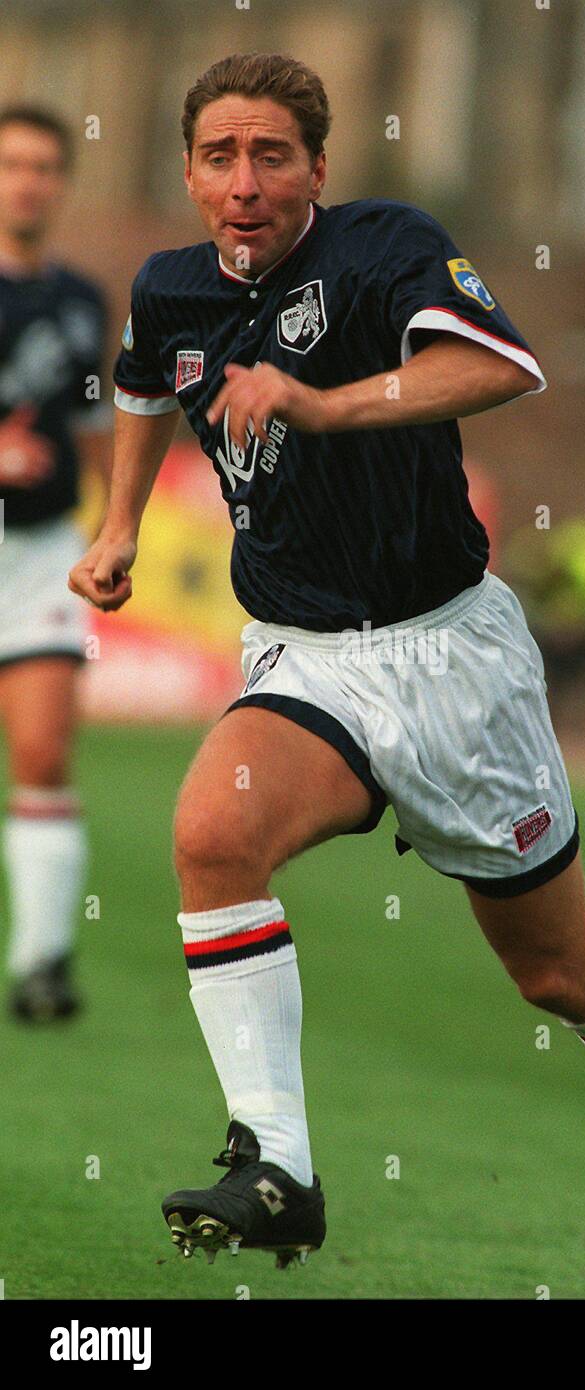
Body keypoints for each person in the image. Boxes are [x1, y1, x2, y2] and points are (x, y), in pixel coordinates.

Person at [69, 52, 585, 1283]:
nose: (244, 179)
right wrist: (115, 529)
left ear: (317, 168)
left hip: (451, 662)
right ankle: (277, 1165)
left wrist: (322, 404)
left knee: (557, 970)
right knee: (212, 834)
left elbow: (499, 365)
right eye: (219, 155)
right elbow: (135, 380)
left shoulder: (385, 248)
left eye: (271, 153)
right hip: (304, 658)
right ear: (186, 170)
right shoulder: (170, 290)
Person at [0, 105, 109, 1021]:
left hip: (41, 552)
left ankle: (41, 966)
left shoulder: (81, 300)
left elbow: (100, 426)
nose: (28, 180)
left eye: (43, 165)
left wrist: (120, 527)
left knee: (40, 751)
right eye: (11, 164)